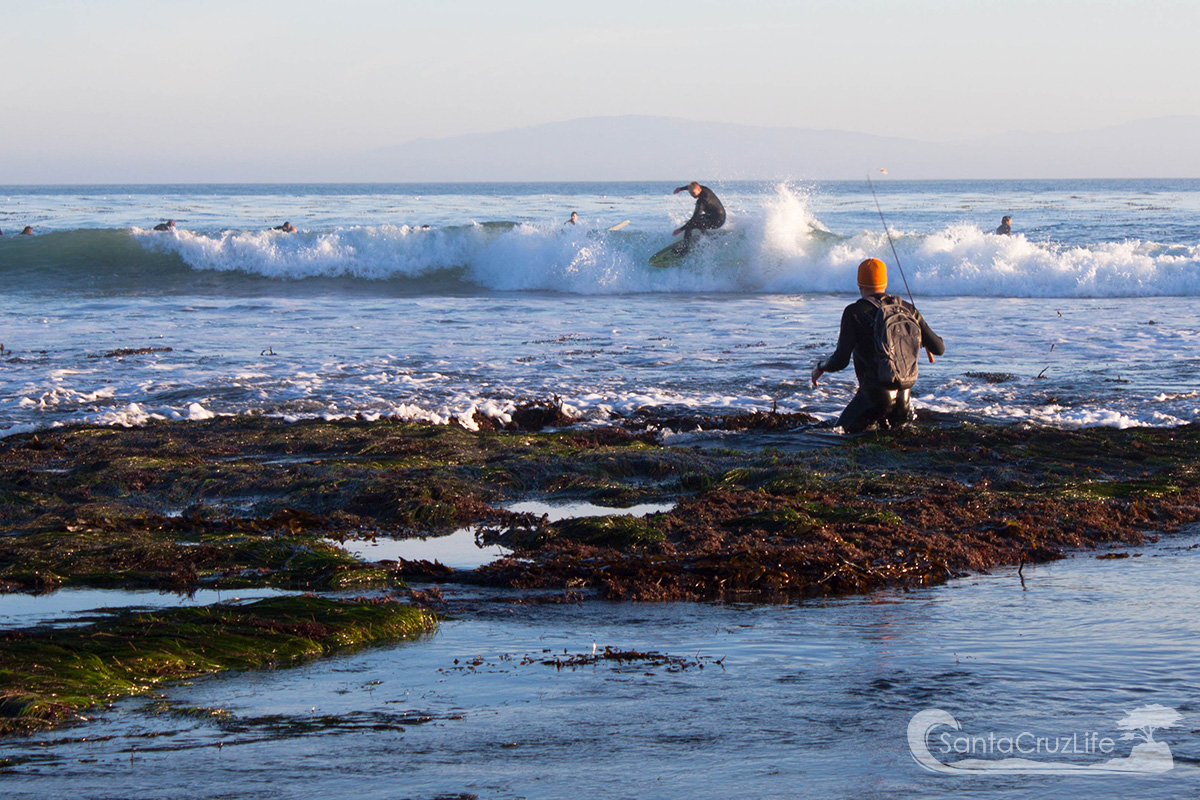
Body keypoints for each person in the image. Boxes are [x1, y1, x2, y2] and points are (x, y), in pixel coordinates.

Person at [811, 258, 945, 434]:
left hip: (873, 398)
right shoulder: (907, 309)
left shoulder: (854, 312)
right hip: (904, 401)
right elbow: (939, 348)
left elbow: (840, 361)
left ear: (859, 284)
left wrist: (820, 367)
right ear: (885, 282)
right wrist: (921, 338)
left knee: (835, 437)